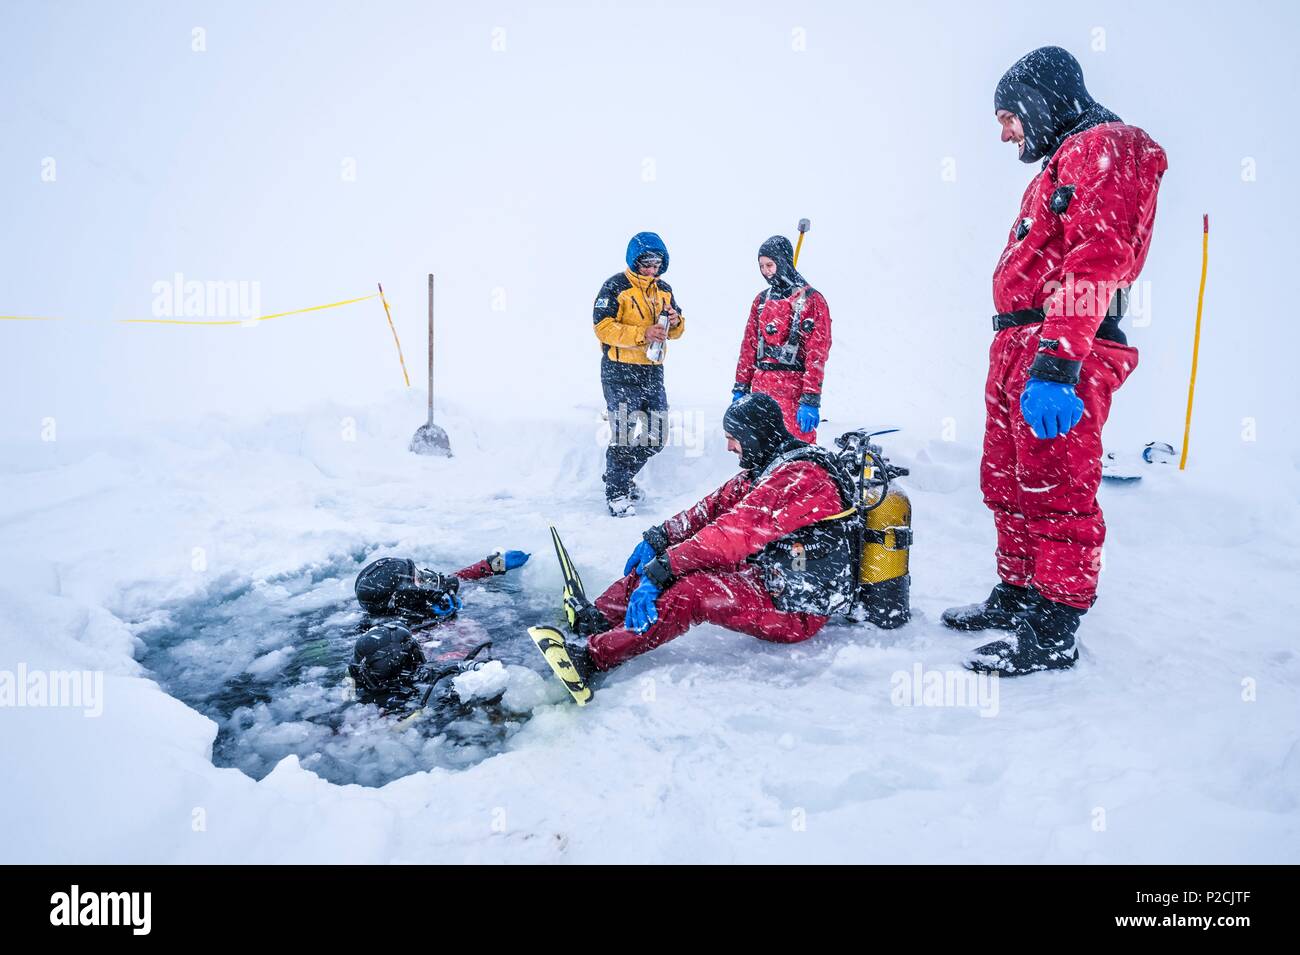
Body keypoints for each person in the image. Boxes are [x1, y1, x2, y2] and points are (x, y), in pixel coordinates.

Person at [944, 46, 1167, 675]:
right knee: (1009, 480)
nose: (1006, 132)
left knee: (1055, 486)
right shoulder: (1062, 163)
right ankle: (1017, 592)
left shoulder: (1110, 147)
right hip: (1021, 342)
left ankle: (1051, 628)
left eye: (1008, 116)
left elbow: (1100, 260)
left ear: (1042, 102)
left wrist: (1058, 361)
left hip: (1062, 346)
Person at [564, 393, 857, 676]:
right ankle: (598, 618)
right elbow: (712, 510)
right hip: (771, 571)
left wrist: (665, 568)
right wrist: (661, 537)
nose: (729, 446)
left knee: (692, 591)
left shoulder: (801, 478)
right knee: (659, 564)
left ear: (755, 435)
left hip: (796, 608)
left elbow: (730, 536)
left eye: (734, 437)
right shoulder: (772, 465)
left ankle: (594, 657)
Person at [349, 550, 527, 709]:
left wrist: (488, 566)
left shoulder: (420, 606)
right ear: (405, 596)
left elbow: (454, 579)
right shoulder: (408, 639)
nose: (428, 580)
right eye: (419, 579)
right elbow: (441, 668)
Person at [592, 231, 686, 517]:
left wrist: (675, 321)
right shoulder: (615, 286)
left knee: (656, 436)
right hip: (619, 371)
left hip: (653, 372)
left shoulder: (665, 290)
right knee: (625, 432)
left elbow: (679, 331)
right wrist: (642, 333)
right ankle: (617, 492)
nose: (651, 268)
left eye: (657, 263)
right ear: (635, 259)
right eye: (646, 262)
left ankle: (617, 476)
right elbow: (602, 327)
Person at [731, 235, 832, 442]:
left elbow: (816, 355)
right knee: (759, 453)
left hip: (792, 393)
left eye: (770, 264)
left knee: (793, 455)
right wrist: (741, 387)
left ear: (784, 261)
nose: (766, 271)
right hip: (760, 392)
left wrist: (811, 399)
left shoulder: (812, 301)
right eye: (762, 266)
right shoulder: (761, 301)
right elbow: (749, 347)